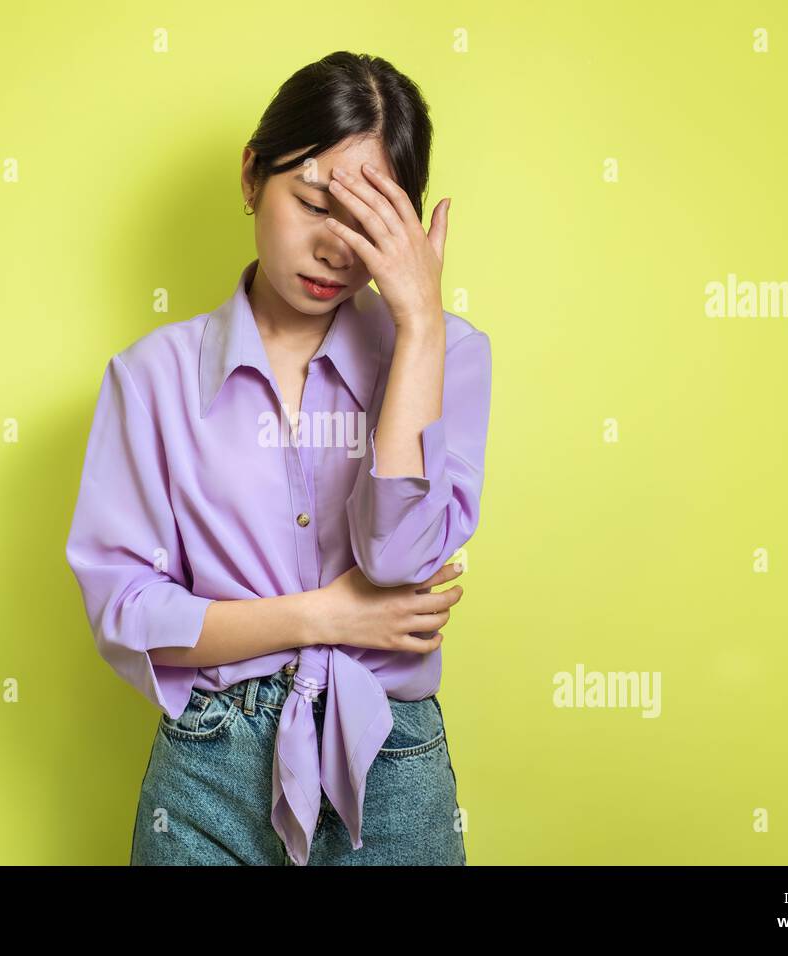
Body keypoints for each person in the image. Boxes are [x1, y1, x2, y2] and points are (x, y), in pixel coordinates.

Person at [65, 50, 492, 865]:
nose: (337, 249)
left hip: (388, 762)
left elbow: (399, 556)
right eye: (313, 203)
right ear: (252, 175)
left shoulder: (452, 356)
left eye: (370, 223)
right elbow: (124, 609)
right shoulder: (151, 377)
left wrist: (422, 329)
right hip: (208, 771)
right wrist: (323, 617)